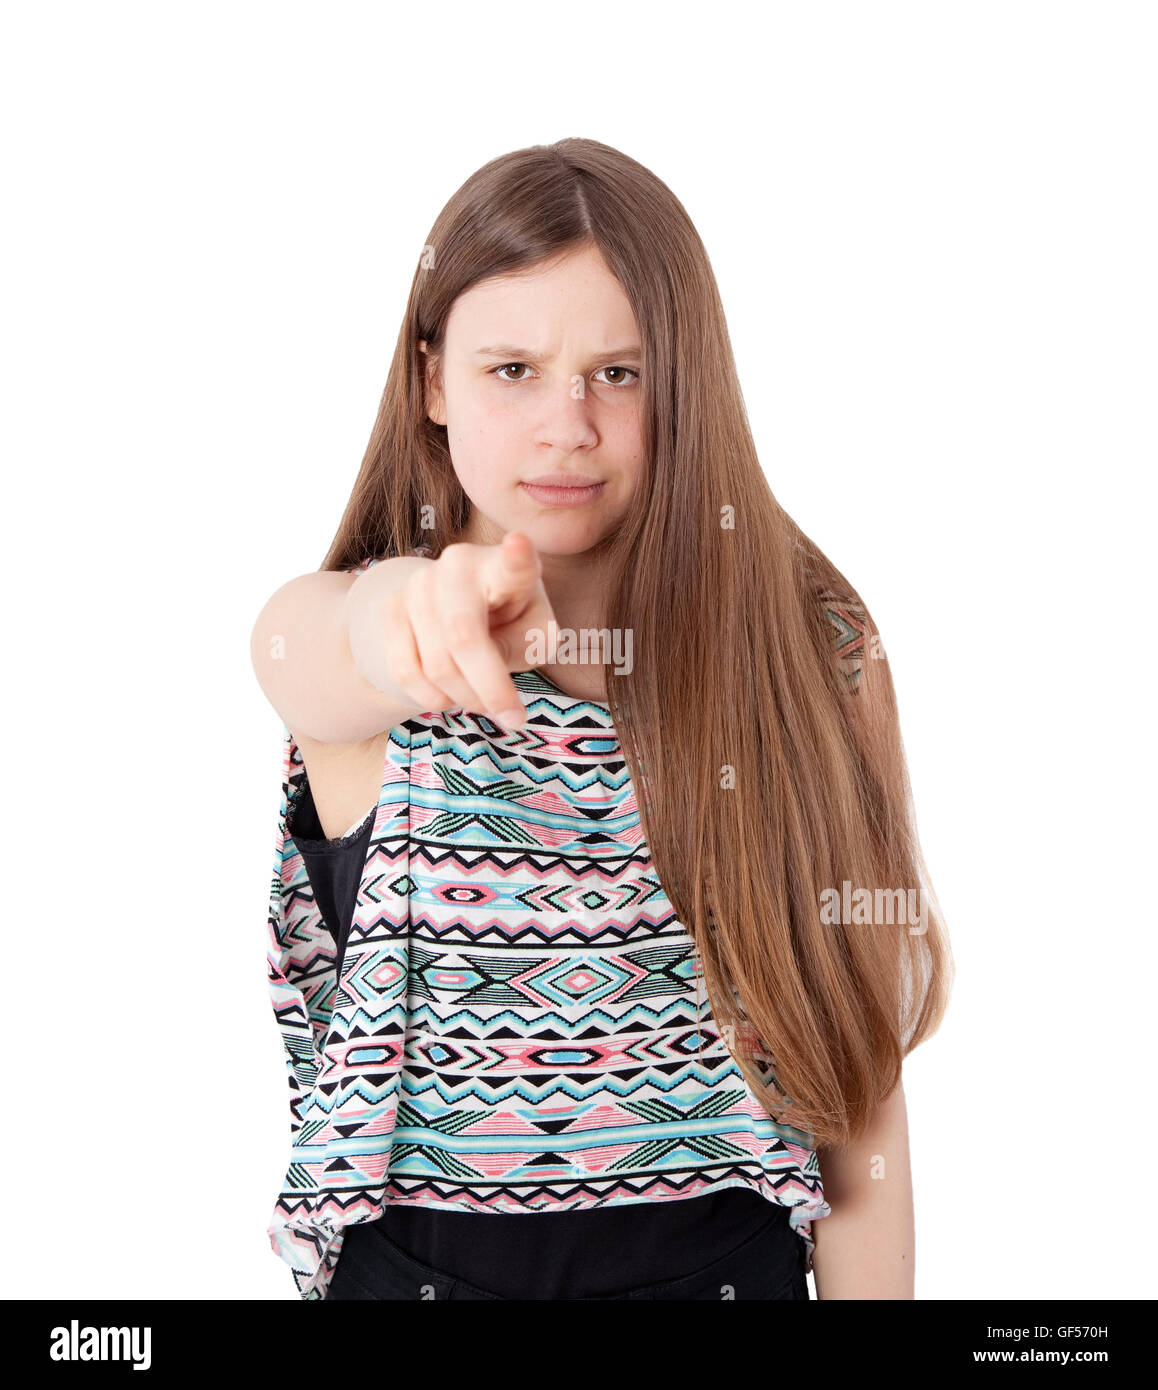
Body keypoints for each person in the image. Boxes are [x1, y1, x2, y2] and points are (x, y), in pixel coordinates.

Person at [249, 137, 953, 1301]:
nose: (566, 424)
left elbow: (856, 1087)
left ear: (685, 378)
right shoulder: (363, 655)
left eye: (617, 373)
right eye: (512, 369)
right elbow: (309, 647)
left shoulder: (811, 653)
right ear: (431, 381)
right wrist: (412, 618)